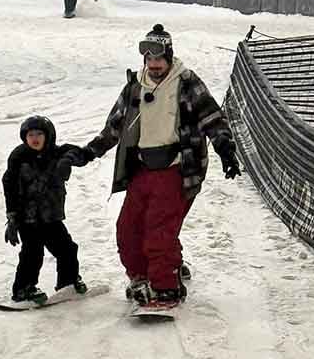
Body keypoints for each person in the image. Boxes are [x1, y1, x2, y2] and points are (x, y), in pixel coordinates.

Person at [71, 24, 241, 312]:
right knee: (128, 228)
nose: (154, 64)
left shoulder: (185, 82)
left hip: (177, 168)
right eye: (149, 59)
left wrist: (225, 147)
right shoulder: (136, 86)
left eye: (159, 58)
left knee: (158, 231)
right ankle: (140, 277)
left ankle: (166, 287)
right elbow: (115, 126)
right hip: (142, 168)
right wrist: (89, 152)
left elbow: (212, 117)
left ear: (169, 56)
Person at [2, 115, 87, 305]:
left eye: (39, 133)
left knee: (67, 249)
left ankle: (68, 282)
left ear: (48, 136)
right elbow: (10, 187)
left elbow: (82, 155)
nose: (35, 138)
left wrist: (67, 159)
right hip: (28, 218)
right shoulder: (18, 157)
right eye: (30, 134)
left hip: (51, 217)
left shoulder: (57, 153)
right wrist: (12, 218)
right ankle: (23, 289)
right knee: (32, 253)